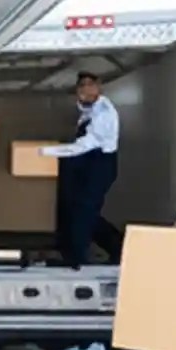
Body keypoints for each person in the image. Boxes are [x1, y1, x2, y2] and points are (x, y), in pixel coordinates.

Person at [39, 71, 124, 268]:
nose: (85, 89)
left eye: (89, 85)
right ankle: (118, 248)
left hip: (98, 166)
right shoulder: (90, 110)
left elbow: (84, 145)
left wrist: (47, 152)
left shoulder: (104, 113)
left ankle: (76, 259)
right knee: (82, 211)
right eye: (81, 86)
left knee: (83, 212)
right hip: (87, 166)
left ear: (98, 86)